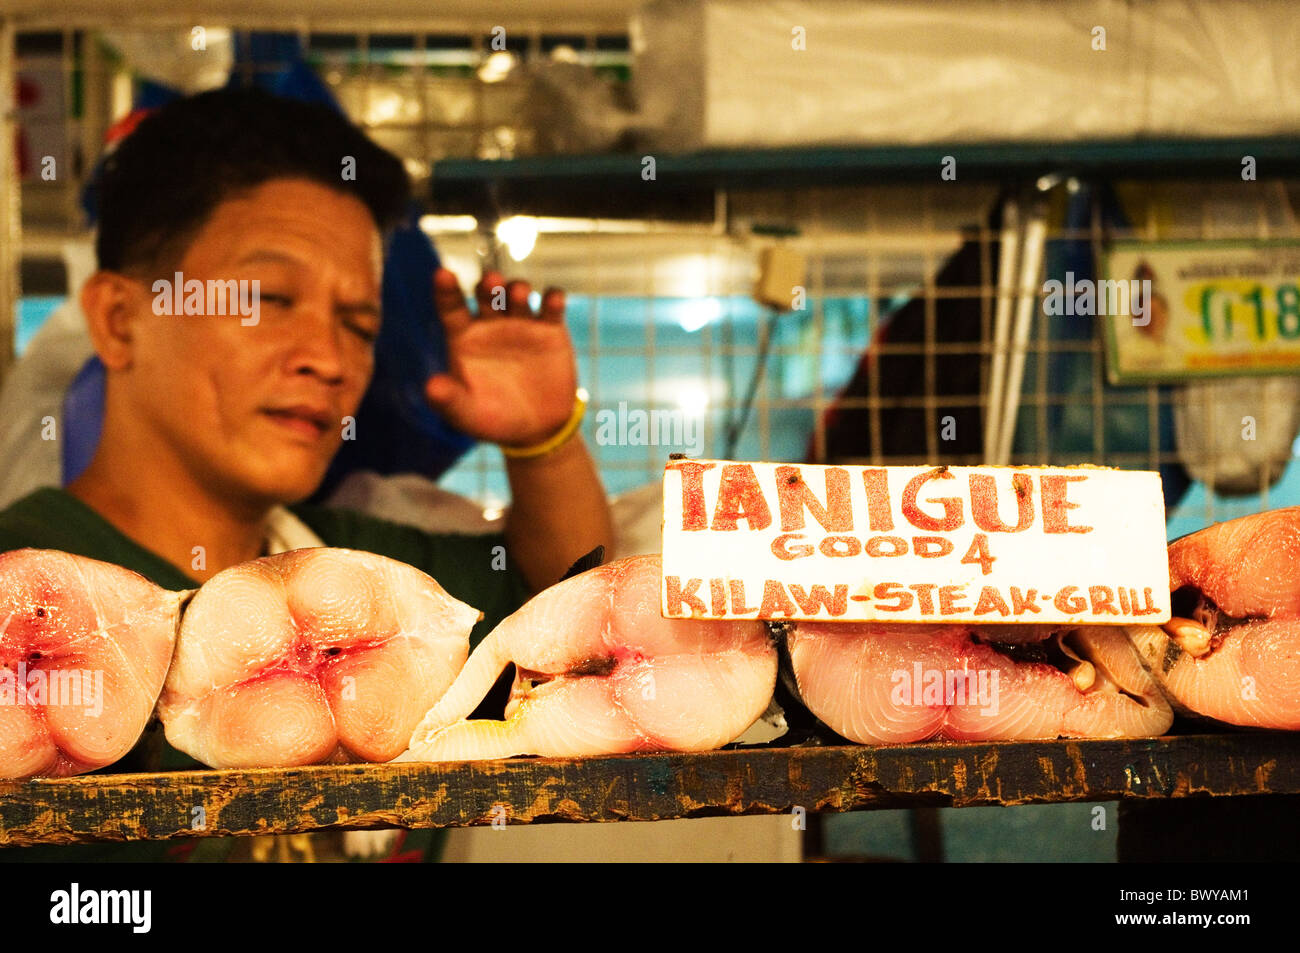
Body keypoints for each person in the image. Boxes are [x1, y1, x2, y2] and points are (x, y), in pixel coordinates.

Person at [0, 87, 613, 862]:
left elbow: (572, 603)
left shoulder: (372, 581)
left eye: (359, 324)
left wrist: (543, 442)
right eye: (269, 298)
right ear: (121, 320)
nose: (328, 358)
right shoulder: (19, 604)